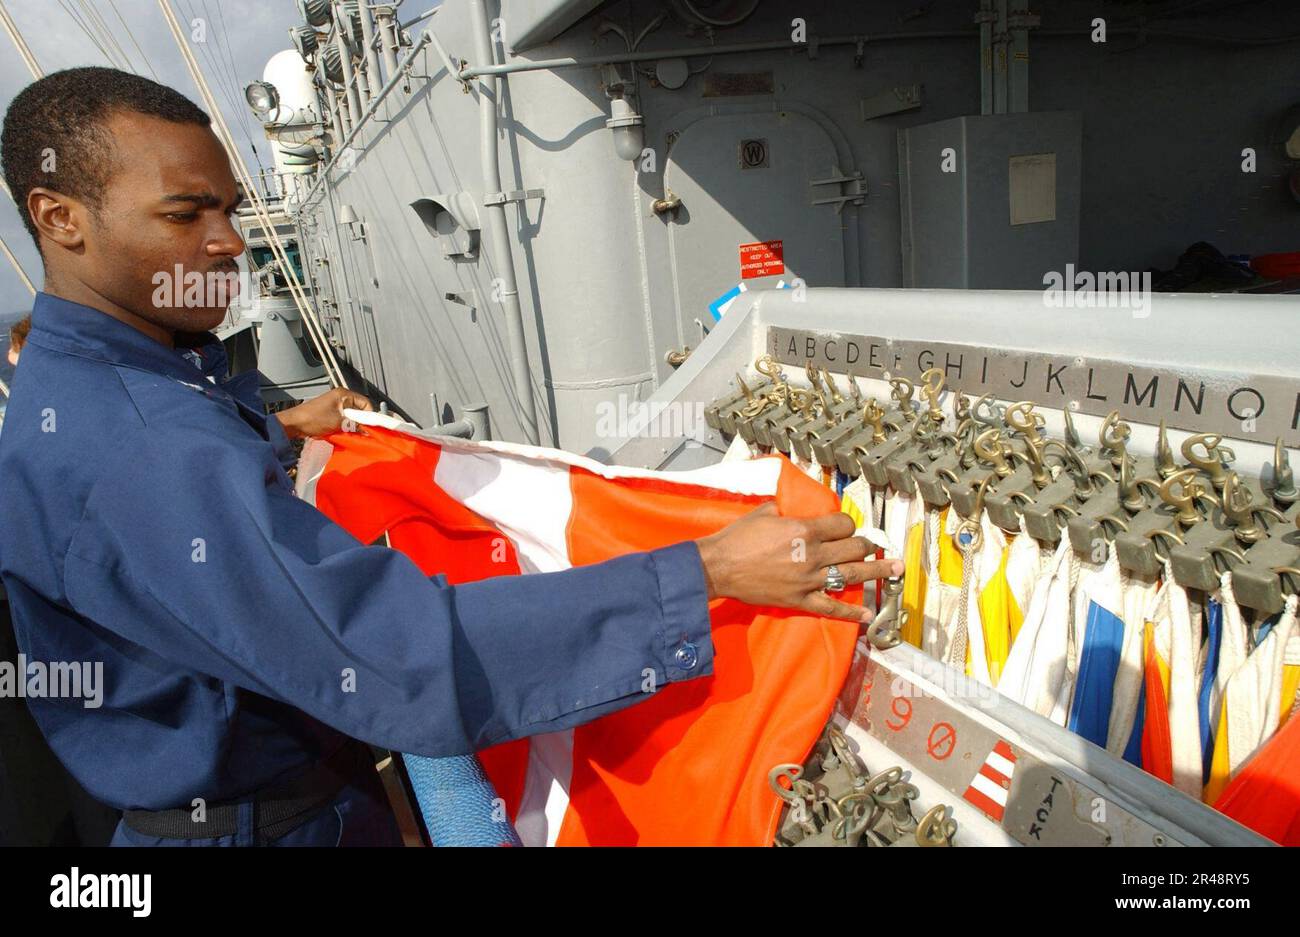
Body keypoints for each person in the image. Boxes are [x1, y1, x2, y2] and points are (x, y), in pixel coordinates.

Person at [0, 67, 895, 847]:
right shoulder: (148, 449)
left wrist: (269, 432)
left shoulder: (84, 388)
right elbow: (400, 656)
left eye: (229, 207)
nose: (230, 239)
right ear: (60, 218)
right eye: (185, 212)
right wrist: (705, 568)